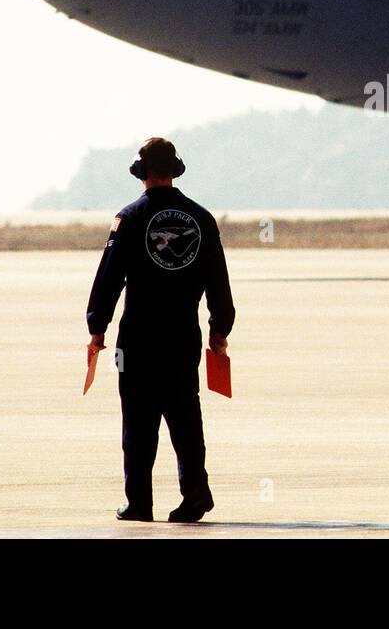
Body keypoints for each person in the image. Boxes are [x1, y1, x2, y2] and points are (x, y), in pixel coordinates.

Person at [85, 136, 235, 522]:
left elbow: (109, 279)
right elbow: (218, 279)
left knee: (138, 423)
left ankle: (139, 502)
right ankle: (195, 495)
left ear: (141, 170)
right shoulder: (202, 219)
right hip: (183, 337)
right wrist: (220, 327)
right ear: (175, 169)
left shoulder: (130, 218)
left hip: (138, 340)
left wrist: (96, 326)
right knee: (186, 420)